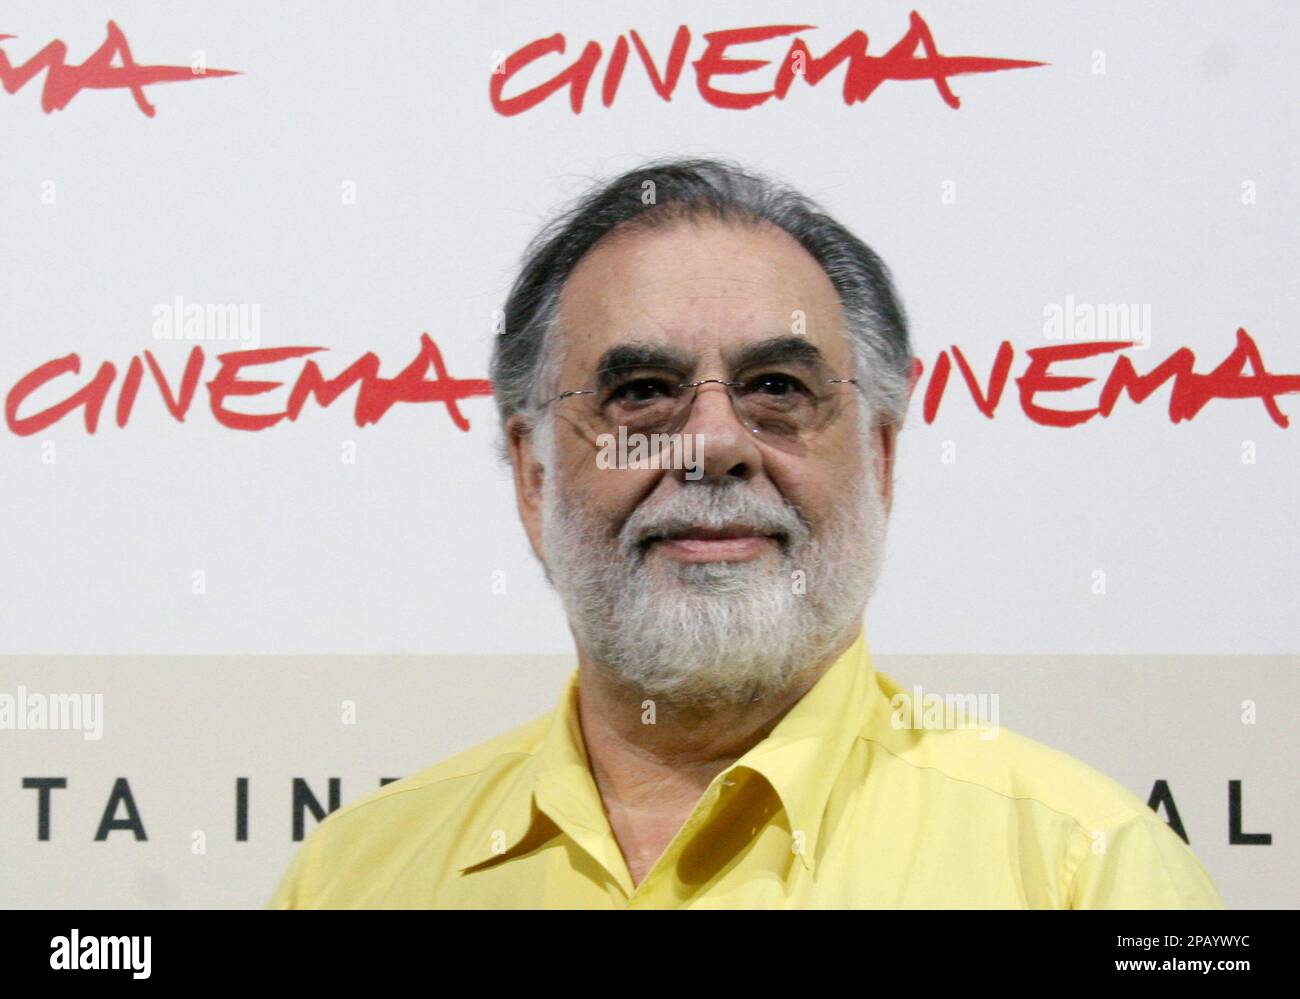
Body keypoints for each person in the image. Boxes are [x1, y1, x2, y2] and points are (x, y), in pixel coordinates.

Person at [270, 158, 1223, 908]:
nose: (715, 443)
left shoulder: (1086, 874)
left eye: (779, 388)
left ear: (881, 459)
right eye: (641, 393)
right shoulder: (354, 880)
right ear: (532, 477)